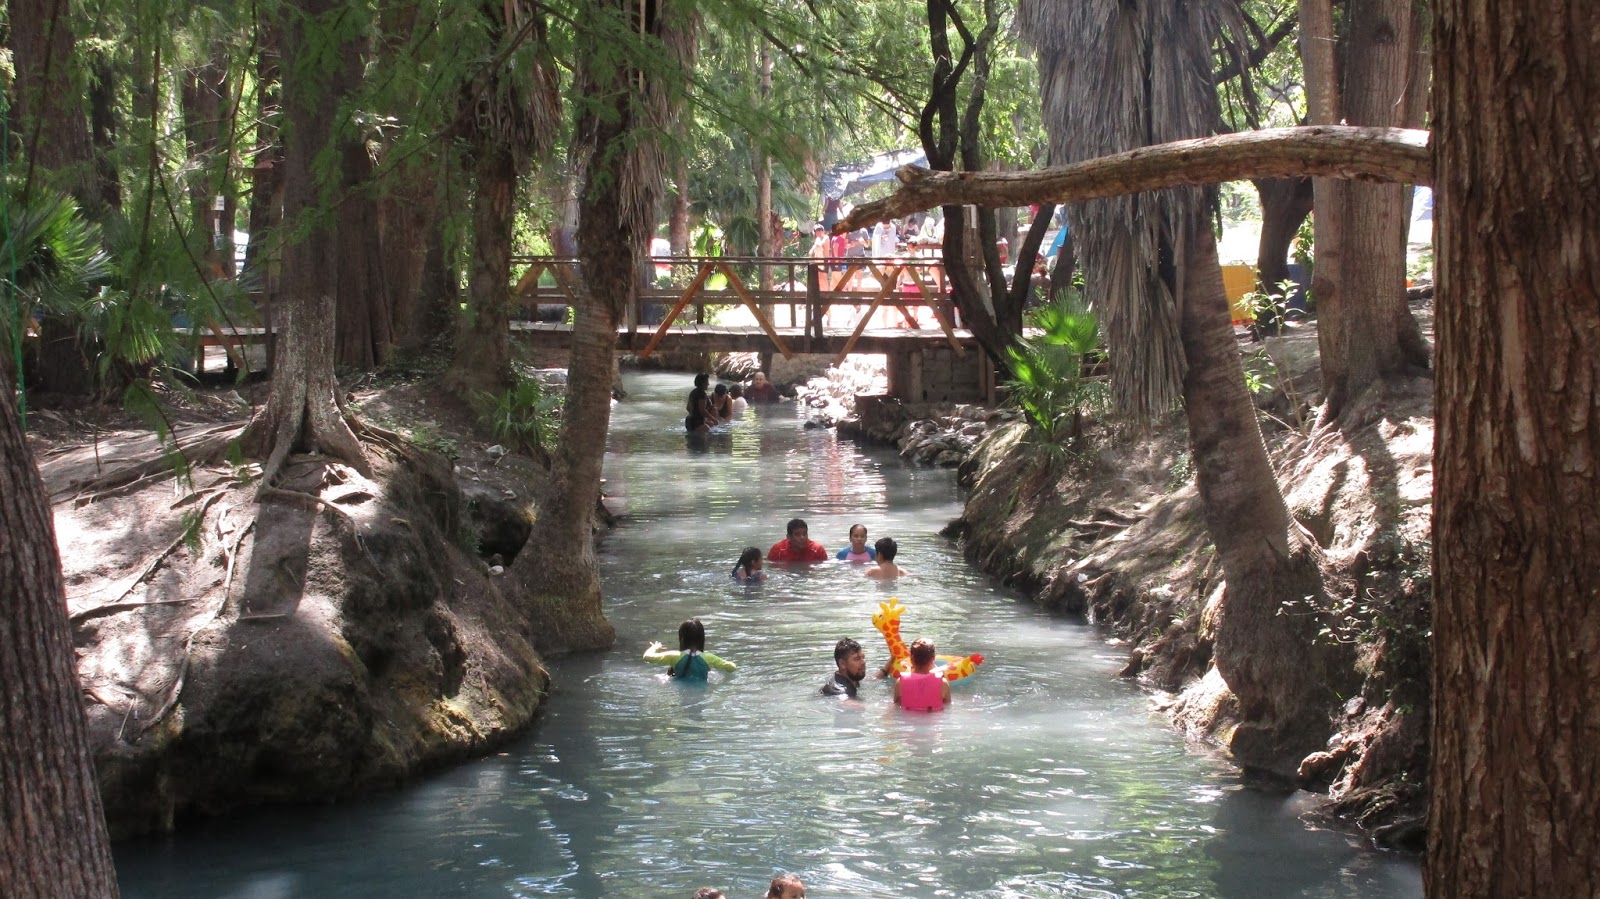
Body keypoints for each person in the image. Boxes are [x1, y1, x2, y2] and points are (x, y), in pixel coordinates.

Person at [643, 618, 737, 680]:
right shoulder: (709, 658)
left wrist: (654, 647)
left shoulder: (674, 656)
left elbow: (647, 657)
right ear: (702, 638)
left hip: (679, 692)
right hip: (702, 694)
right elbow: (732, 668)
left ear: (681, 638)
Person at [893, 638, 951, 711]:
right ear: (933, 659)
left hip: (908, 720)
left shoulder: (900, 682)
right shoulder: (943, 683)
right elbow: (947, 708)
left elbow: (896, 706)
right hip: (934, 720)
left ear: (911, 658)